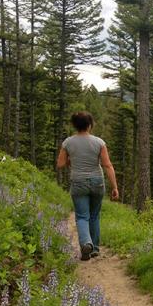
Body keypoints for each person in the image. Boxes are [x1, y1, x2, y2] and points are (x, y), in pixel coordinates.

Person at [56, 111, 119, 260]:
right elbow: (107, 165)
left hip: (78, 182)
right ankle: (95, 249)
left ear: (75, 125)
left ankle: (86, 243)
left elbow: (60, 164)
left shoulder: (68, 142)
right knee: (94, 216)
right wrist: (115, 187)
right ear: (89, 125)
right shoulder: (99, 142)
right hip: (97, 181)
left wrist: (73, 161)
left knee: (82, 217)